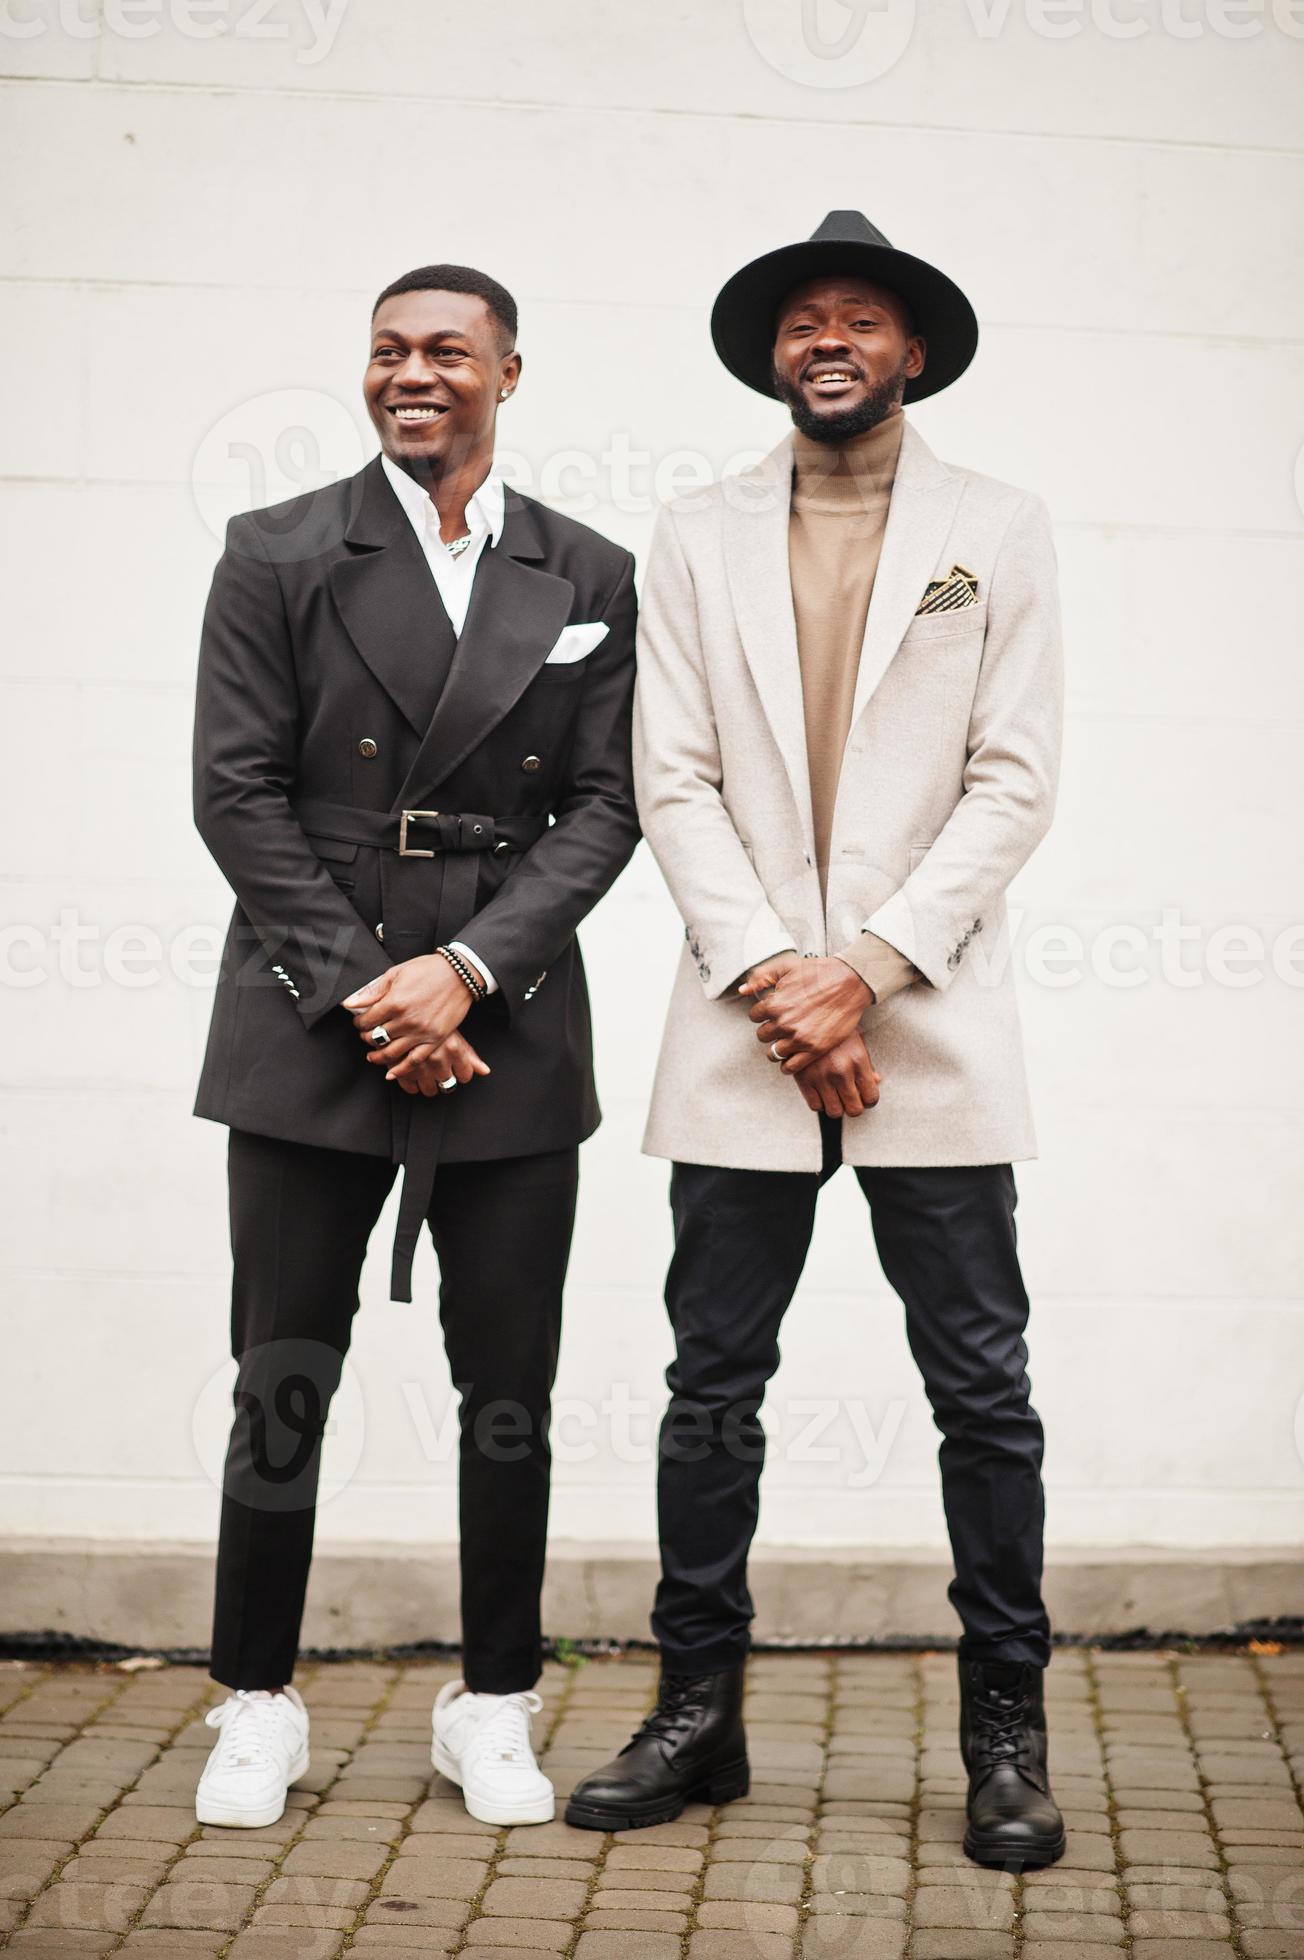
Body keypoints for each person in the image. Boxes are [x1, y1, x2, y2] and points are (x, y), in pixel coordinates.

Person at [566, 212, 1066, 1870]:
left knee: (980, 1394)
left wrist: (864, 969)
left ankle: (1009, 1730)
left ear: (913, 350)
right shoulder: (693, 529)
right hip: (745, 1021)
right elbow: (674, 774)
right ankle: (696, 1714)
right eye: (803, 321)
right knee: (712, 1385)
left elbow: (1014, 778)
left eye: (860, 318)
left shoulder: (997, 528)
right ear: (773, 355)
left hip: (925, 1015)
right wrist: (784, 976)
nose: (828, 338)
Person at [190, 262, 638, 1832]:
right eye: (387, 350)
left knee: (507, 1381)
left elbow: (607, 807)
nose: (413, 373)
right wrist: (376, 989)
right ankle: (256, 1700)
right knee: (284, 1375)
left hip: (504, 1016)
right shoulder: (280, 549)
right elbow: (235, 793)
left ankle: (495, 1701)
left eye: (448, 350)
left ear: (512, 371)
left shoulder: (589, 568)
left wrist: (464, 971)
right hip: (314, 1015)